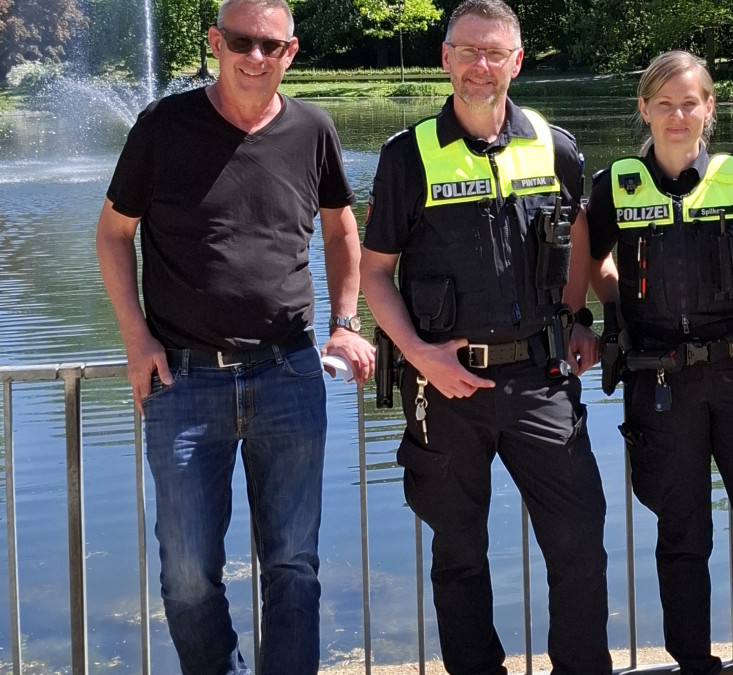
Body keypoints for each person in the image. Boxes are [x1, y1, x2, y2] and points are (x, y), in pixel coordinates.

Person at [95, 0, 375, 672]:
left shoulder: (312, 129)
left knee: (294, 565)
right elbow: (112, 234)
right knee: (188, 574)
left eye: (270, 45)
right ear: (216, 43)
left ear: (291, 52)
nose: (255, 57)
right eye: (241, 41)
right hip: (183, 381)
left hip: (290, 373)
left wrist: (345, 322)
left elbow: (341, 229)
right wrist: (136, 339)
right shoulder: (163, 126)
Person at [358, 1, 611, 673]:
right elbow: (374, 273)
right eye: (468, 50)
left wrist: (577, 317)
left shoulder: (554, 146)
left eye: (495, 52)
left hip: (539, 376)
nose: (481, 65)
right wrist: (419, 356)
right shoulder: (408, 156)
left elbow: (577, 233)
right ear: (446, 58)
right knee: (459, 550)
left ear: (516, 62)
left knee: (580, 537)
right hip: (446, 382)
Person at [586, 51, 733, 675]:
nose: (677, 115)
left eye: (690, 103)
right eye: (664, 103)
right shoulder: (616, 185)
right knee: (682, 536)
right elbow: (590, 258)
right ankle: (693, 664)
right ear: (644, 109)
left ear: (709, 108)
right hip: (661, 385)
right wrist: (617, 303)